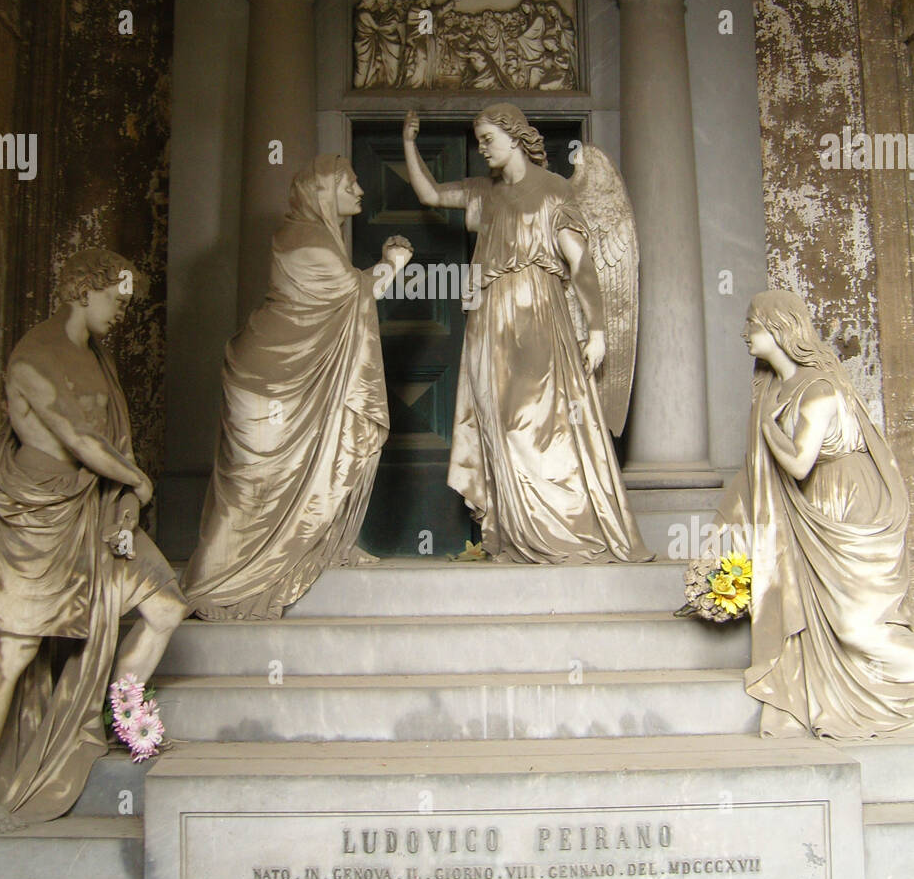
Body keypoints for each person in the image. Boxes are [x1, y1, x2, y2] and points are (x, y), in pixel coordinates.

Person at [0, 249, 187, 830]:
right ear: (83, 291)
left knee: (166, 606)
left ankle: (123, 717)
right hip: (37, 520)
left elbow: (114, 441)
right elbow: (80, 439)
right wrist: (138, 481)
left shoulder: (95, 357)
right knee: (17, 649)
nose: (121, 314)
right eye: (115, 300)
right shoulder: (35, 355)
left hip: (96, 509)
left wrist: (129, 499)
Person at [403, 105, 652, 565]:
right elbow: (432, 195)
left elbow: (581, 266)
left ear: (515, 137)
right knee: (495, 419)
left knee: (534, 420)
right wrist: (408, 144)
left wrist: (597, 331)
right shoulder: (485, 193)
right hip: (488, 318)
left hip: (537, 311)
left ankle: (559, 528)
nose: (481, 149)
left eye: (488, 139)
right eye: (477, 140)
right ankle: (515, 531)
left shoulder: (555, 191)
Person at [183, 156, 412, 619]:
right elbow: (356, 296)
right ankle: (214, 584)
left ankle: (318, 548)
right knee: (254, 485)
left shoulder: (312, 237)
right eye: (350, 182)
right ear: (324, 190)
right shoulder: (308, 243)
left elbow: (345, 299)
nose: (360, 190)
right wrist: (394, 262)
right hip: (272, 382)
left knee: (280, 477)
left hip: (281, 375)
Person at [719, 289, 914, 738]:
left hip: (847, 502)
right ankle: (835, 694)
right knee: (832, 619)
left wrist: (767, 425)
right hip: (815, 502)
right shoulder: (772, 386)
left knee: (857, 624)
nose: (744, 332)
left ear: (779, 328)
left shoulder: (817, 388)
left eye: (752, 323)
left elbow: (799, 463)